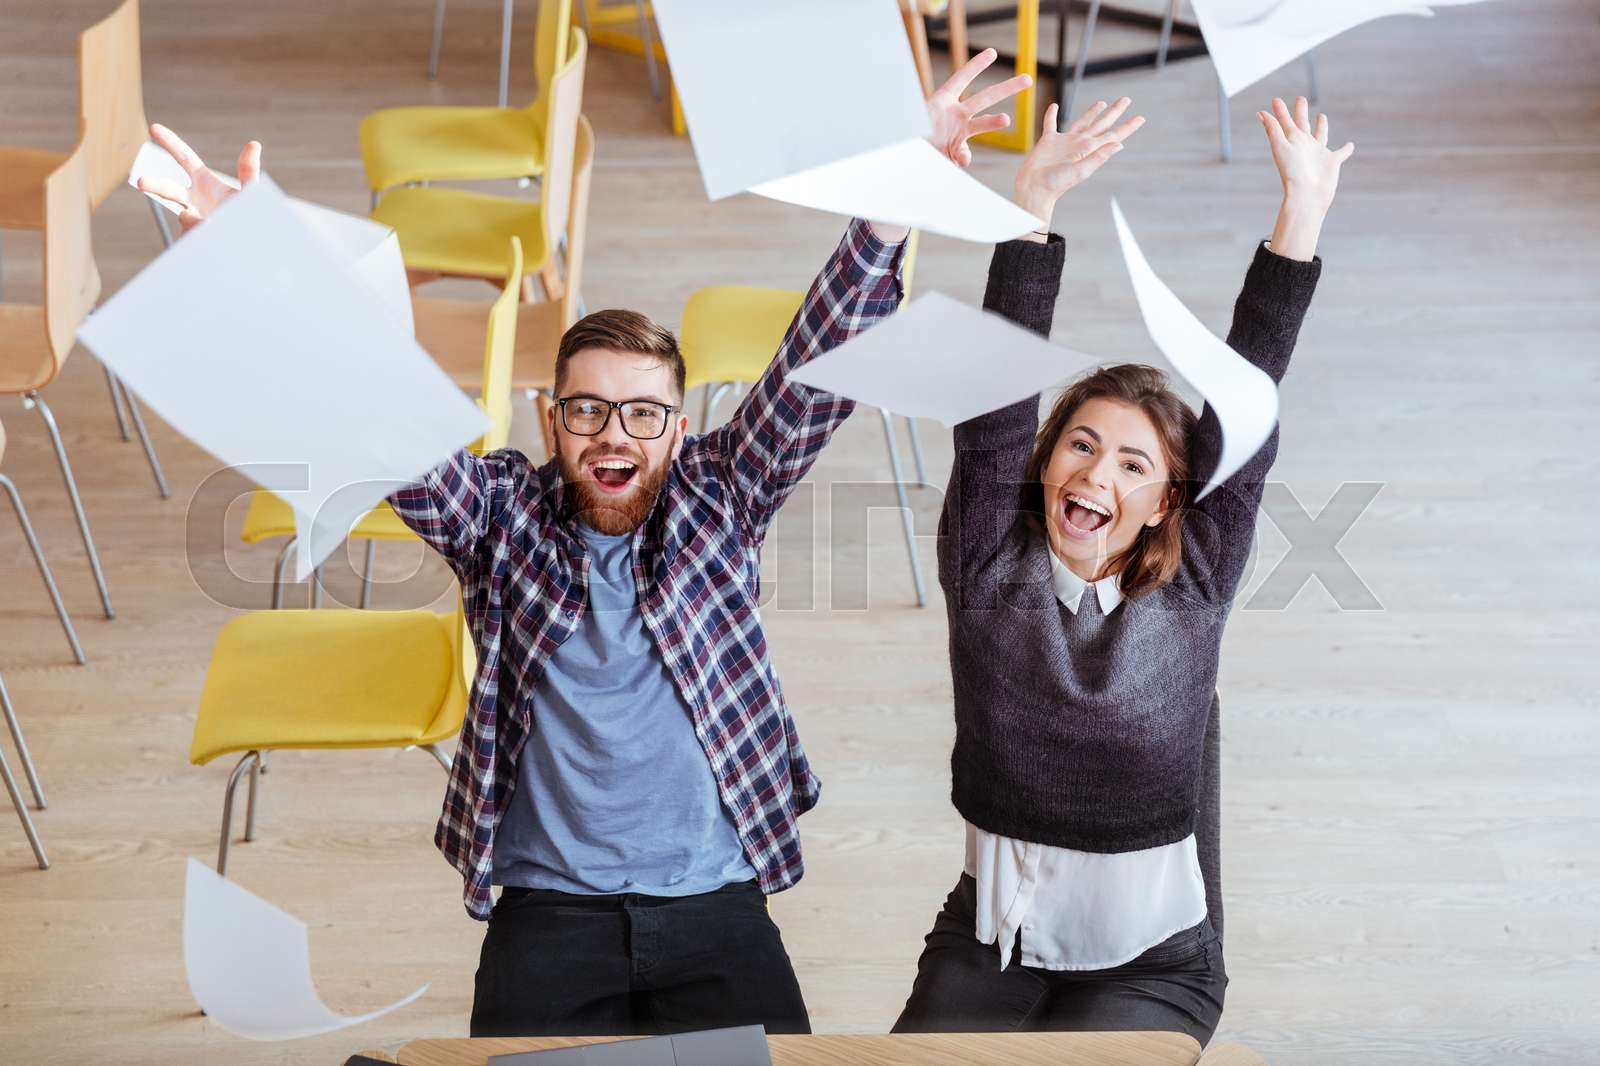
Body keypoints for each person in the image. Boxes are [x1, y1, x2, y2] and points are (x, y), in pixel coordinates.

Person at [142, 50, 1032, 1038]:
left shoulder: (722, 496)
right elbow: (376, 411)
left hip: (716, 906)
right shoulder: (497, 519)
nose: (616, 434)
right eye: (589, 410)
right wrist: (257, 260)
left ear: (680, 429)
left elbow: (813, 371)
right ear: (550, 420)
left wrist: (891, 202)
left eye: (645, 414)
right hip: (548, 913)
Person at [893, 95, 1352, 1045]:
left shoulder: (1196, 585)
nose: (1097, 473)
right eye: (1080, 445)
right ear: (1048, 459)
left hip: (1155, 965)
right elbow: (993, 404)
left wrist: (1299, 220)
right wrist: (1033, 200)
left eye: (1134, 465)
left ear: (1165, 502)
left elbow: (1244, 405)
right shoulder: (987, 564)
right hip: (992, 949)